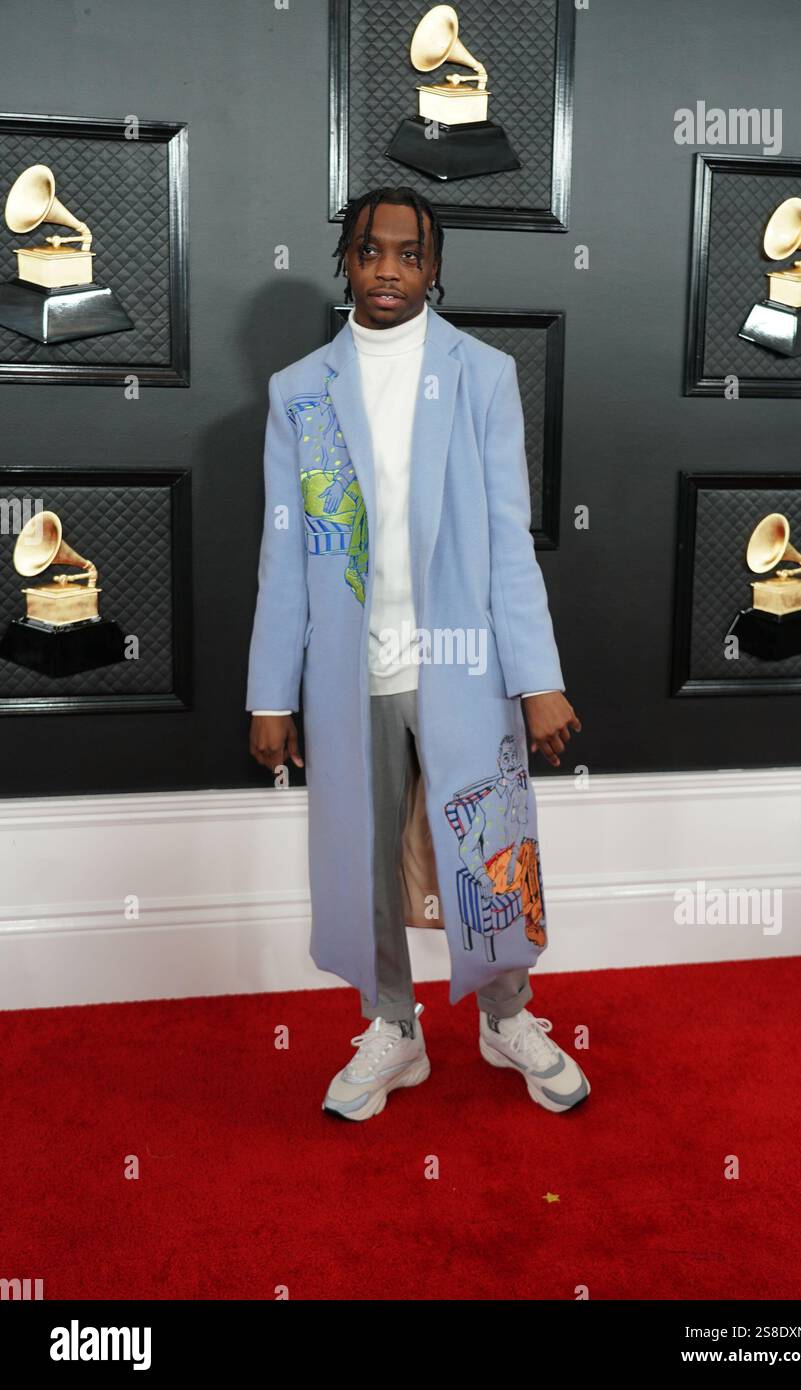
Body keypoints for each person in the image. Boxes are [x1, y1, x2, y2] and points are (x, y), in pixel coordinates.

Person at [246, 186, 589, 1120]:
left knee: (488, 844)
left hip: (465, 665)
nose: (388, 269)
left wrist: (539, 680)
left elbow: (509, 540)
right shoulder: (300, 392)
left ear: (435, 270)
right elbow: (285, 550)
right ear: (345, 263)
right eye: (370, 252)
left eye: (409, 254)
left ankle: (506, 1015)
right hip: (347, 672)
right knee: (360, 858)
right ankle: (392, 1029)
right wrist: (270, 693)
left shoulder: (481, 375)